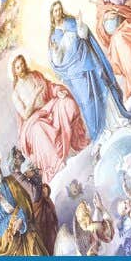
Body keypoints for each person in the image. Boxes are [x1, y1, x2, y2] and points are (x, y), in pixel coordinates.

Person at [48, 0, 131, 137]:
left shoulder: (71, 22)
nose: (59, 12)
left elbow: (84, 35)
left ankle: (118, 120)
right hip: (75, 72)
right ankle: (103, 131)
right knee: (89, 100)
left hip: (88, 60)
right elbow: (58, 60)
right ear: (52, 14)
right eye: (55, 10)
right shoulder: (54, 36)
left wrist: (79, 24)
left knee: (103, 87)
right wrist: (55, 50)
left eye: (60, 9)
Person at [9, 53, 89, 181]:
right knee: (38, 130)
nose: (22, 68)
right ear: (14, 71)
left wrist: (58, 91)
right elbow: (25, 115)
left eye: (22, 64)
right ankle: (56, 165)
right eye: (18, 67)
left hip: (50, 107)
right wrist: (35, 96)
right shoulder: (16, 93)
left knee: (68, 104)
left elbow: (50, 86)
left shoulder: (35, 75)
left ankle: (78, 143)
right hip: (34, 120)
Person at [0, 152, 49, 255]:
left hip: (23, 226)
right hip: (7, 240)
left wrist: (20, 219)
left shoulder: (12, 181)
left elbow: (25, 202)